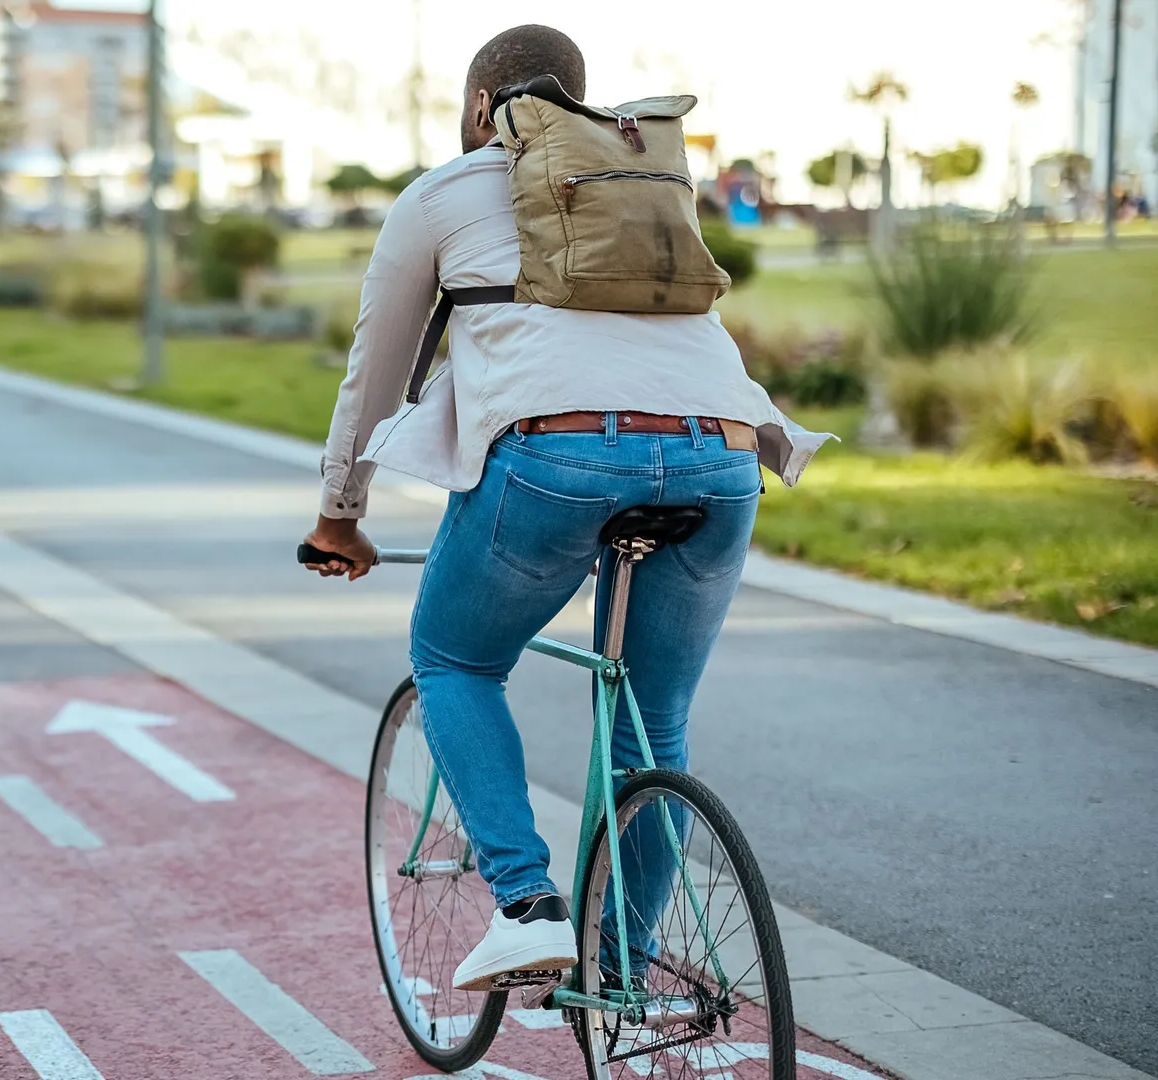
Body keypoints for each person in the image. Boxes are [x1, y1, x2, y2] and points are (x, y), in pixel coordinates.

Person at [299, 25, 828, 992]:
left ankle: (527, 907)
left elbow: (375, 372)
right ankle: (619, 981)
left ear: (478, 110)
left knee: (453, 656)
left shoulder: (442, 191)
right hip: (722, 458)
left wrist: (340, 513)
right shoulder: (638, 181)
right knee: (653, 721)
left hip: (557, 460)